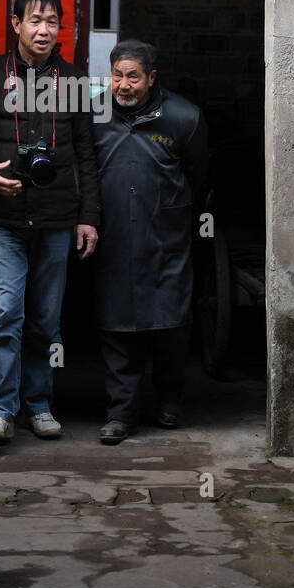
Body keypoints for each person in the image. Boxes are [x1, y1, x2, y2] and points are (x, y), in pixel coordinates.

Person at [0, 0, 100, 444]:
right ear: (15, 24)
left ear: (61, 29)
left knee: (45, 322)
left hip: (57, 220)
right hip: (1, 218)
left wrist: (88, 216)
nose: (43, 30)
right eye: (34, 21)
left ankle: (38, 405)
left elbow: (86, 156)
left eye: (52, 22)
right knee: (3, 313)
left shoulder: (74, 81)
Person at [93, 40, 208, 443]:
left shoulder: (184, 118)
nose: (124, 85)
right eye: (118, 75)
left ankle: (169, 401)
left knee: (170, 327)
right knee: (118, 328)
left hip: (168, 241)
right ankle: (122, 415)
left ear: (152, 77)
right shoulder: (95, 114)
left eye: (133, 77)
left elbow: (200, 180)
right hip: (114, 241)